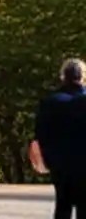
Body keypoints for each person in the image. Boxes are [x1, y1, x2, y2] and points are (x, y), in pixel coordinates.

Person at [36, 58, 86, 219]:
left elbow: (40, 135)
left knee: (62, 204)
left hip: (59, 163)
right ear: (83, 77)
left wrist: (43, 161)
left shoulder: (49, 102)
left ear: (63, 76)